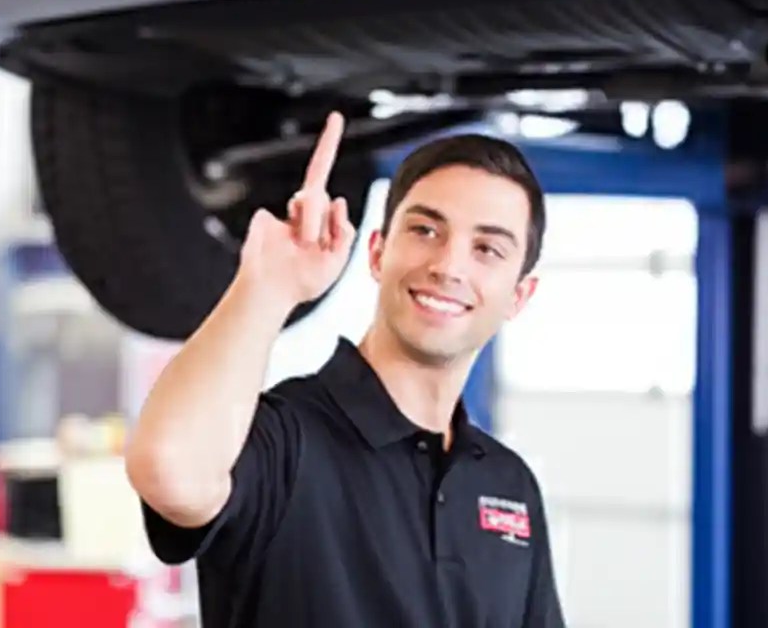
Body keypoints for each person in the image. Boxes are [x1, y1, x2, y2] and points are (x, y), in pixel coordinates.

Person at [125, 112, 567, 628]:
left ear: (519, 295)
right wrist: (268, 288)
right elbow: (168, 470)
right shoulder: (284, 441)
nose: (448, 266)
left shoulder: (509, 486)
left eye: (487, 249)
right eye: (425, 230)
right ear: (377, 252)